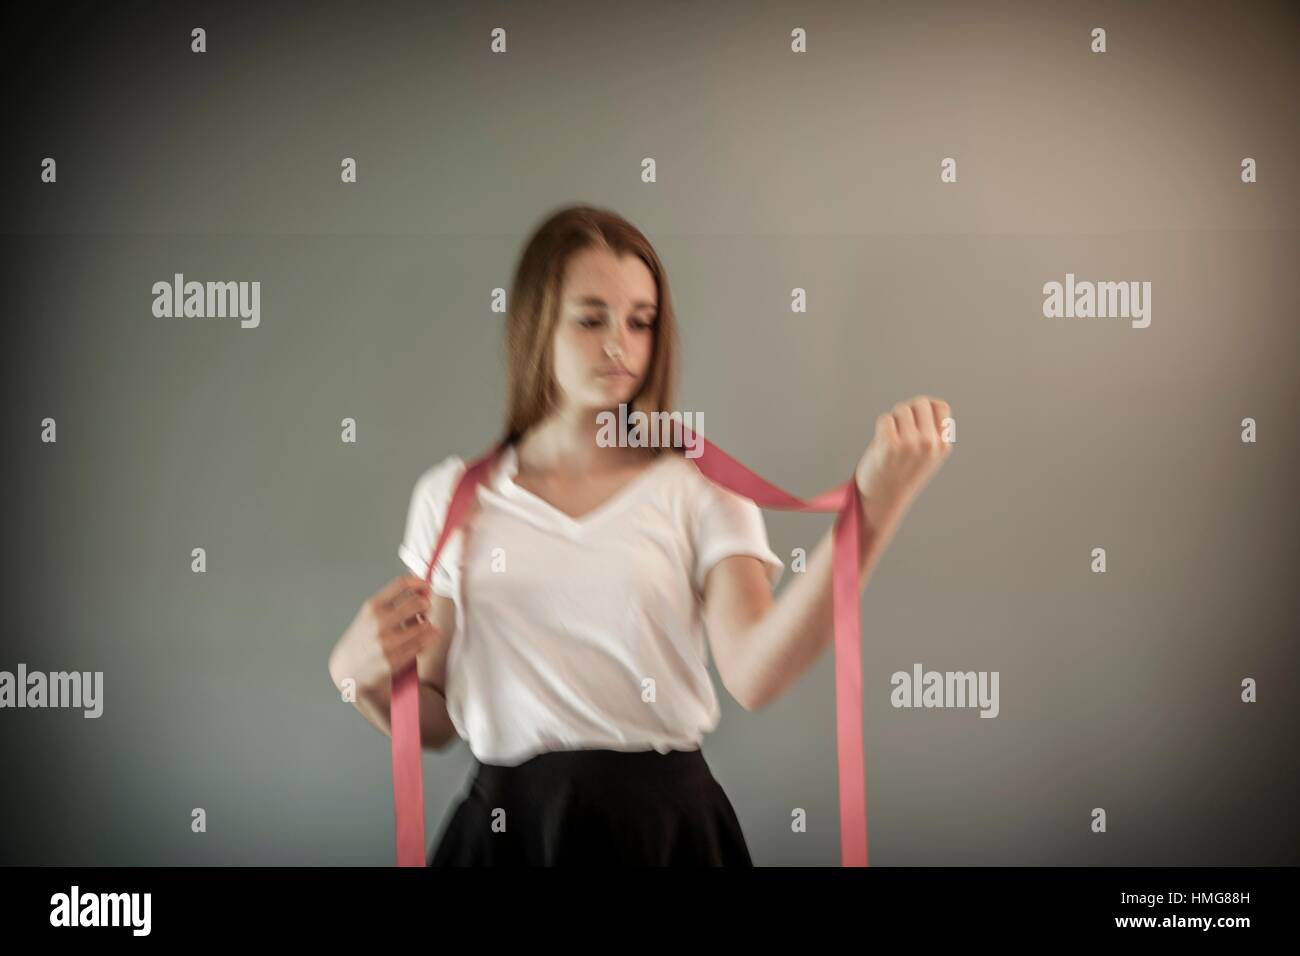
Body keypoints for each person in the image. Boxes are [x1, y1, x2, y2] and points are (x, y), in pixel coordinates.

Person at [327, 204, 953, 865]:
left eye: (640, 321)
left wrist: (873, 507)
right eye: (591, 318)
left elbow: (757, 672)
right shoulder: (452, 496)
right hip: (508, 840)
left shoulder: (702, 487)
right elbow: (438, 720)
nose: (620, 344)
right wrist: (358, 680)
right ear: (537, 323)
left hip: (667, 838)